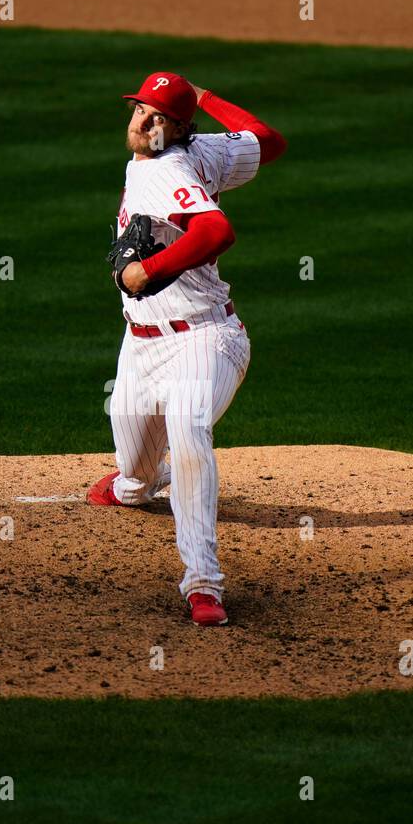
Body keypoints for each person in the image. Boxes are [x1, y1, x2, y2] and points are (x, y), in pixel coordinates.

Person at [87, 72, 287, 627]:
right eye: (139, 110)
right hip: (142, 348)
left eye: (158, 116)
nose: (143, 122)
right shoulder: (204, 150)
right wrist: (204, 98)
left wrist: (148, 269)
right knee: (133, 475)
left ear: (177, 129)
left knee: (189, 428)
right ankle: (136, 484)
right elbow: (269, 141)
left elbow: (217, 231)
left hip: (206, 338)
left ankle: (203, 584)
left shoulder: (167, 167)